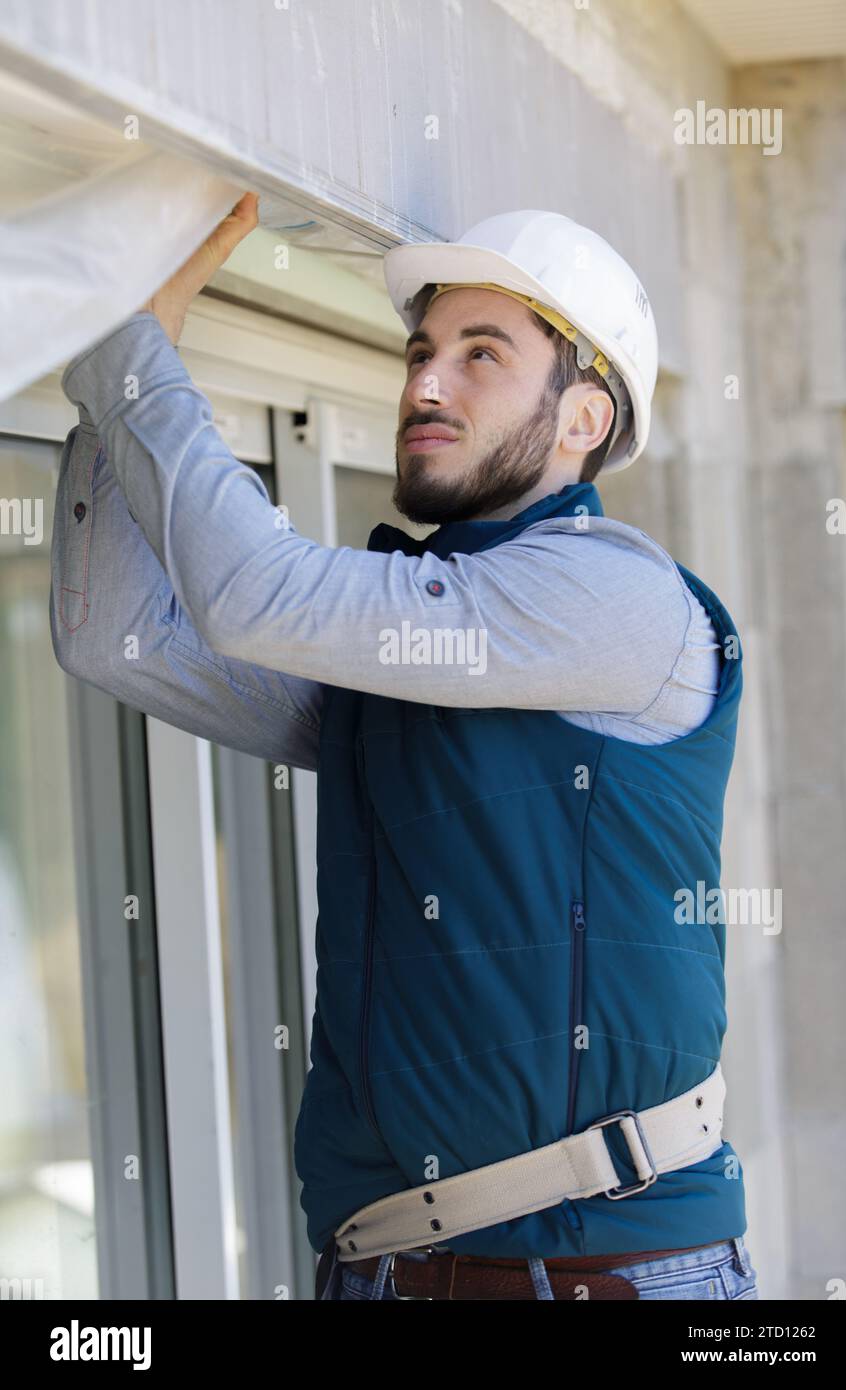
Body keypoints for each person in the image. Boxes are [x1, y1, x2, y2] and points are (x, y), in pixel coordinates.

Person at [50, 196, 758, 1300]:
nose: (426, 384)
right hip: (378, 1269)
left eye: (483, 356)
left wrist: (132, 344)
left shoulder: (615, 597)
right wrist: (122, 368)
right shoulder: (407, 667)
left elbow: (248, 595)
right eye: (422, 352)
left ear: (581, 420)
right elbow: (121, 638)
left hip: (605, 1271)